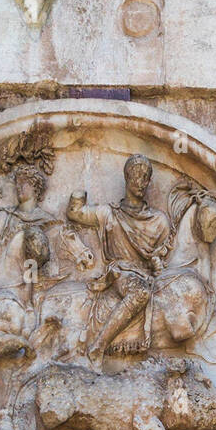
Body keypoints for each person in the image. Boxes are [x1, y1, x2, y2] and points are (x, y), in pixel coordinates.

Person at [67, 154, 175, 359]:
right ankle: (98, 346)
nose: (141, 182)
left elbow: (160, 258)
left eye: (146, 177)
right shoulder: (108, 213)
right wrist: (78, 191)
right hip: (122, 274)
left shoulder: (159, 221)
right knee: (140, 293)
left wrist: (157, 263)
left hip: (148, 277)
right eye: (136, 175)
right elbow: (75, 213)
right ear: (126, 177)